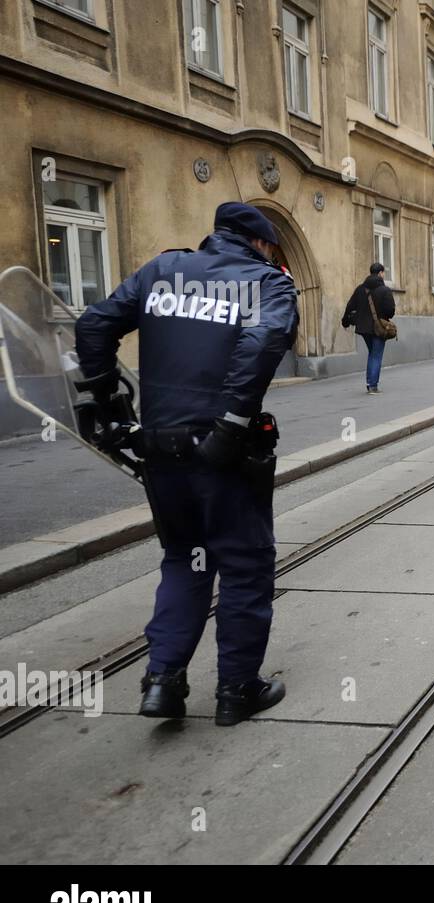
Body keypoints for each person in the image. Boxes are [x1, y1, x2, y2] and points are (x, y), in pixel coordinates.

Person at [75, 202, 299, 725]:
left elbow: (93, 326)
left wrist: (108, 401)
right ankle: (237, 689)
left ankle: (163, 683)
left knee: (185, 557)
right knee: (244, 565)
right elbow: (262, 341)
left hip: (159, 447)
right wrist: (233, 420)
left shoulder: (161, 271)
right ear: (262, 245)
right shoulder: (268, 283)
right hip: (224, 453)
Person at [343, 262, 396, 394]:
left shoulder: (360, 289)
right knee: (376, 355)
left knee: (372, 353)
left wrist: (345, 321)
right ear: (380, 273)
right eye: (383, 273)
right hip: (379, 328)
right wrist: (385, 315)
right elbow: (390, 311)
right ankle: (372, 386)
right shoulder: (385, 290)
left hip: (363, 328)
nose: (384, 275)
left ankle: (369, 383)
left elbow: (350, 306)